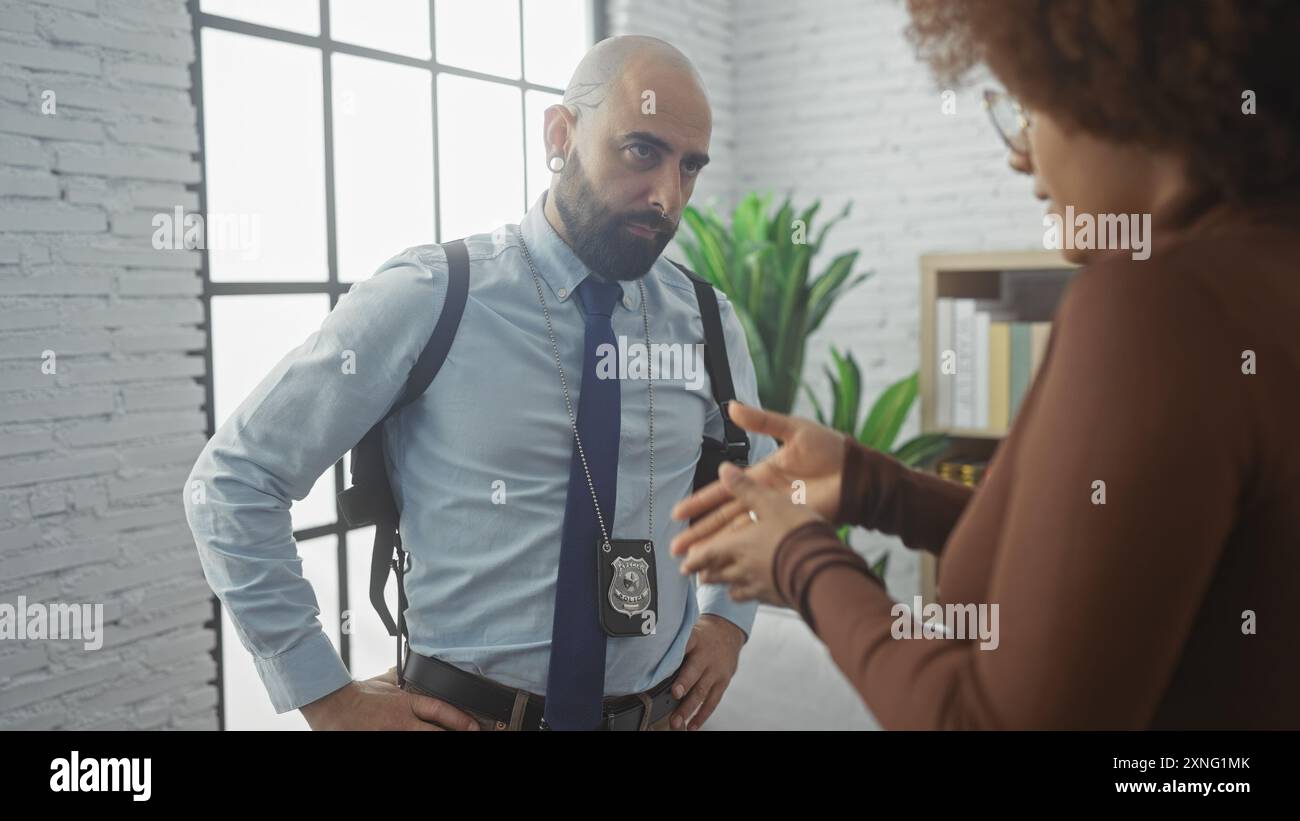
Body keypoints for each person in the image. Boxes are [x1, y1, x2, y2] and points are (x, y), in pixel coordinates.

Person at [670, 0, 1300, 729]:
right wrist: (875, 487)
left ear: (1124, 90)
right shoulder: (1259, 277)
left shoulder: (1158, 304)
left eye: (1031, 107)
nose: (1019, 152)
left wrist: (796, 557)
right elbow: (1098, 561)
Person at [184, 35, 774, 731]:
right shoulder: (433, 296)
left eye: (690, 167)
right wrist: (327, 697)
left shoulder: (708, 320)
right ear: (561, 135)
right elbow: (232, 480)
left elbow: (755, 484)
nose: (667, 197)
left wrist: (730, 620)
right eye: (641, 151)